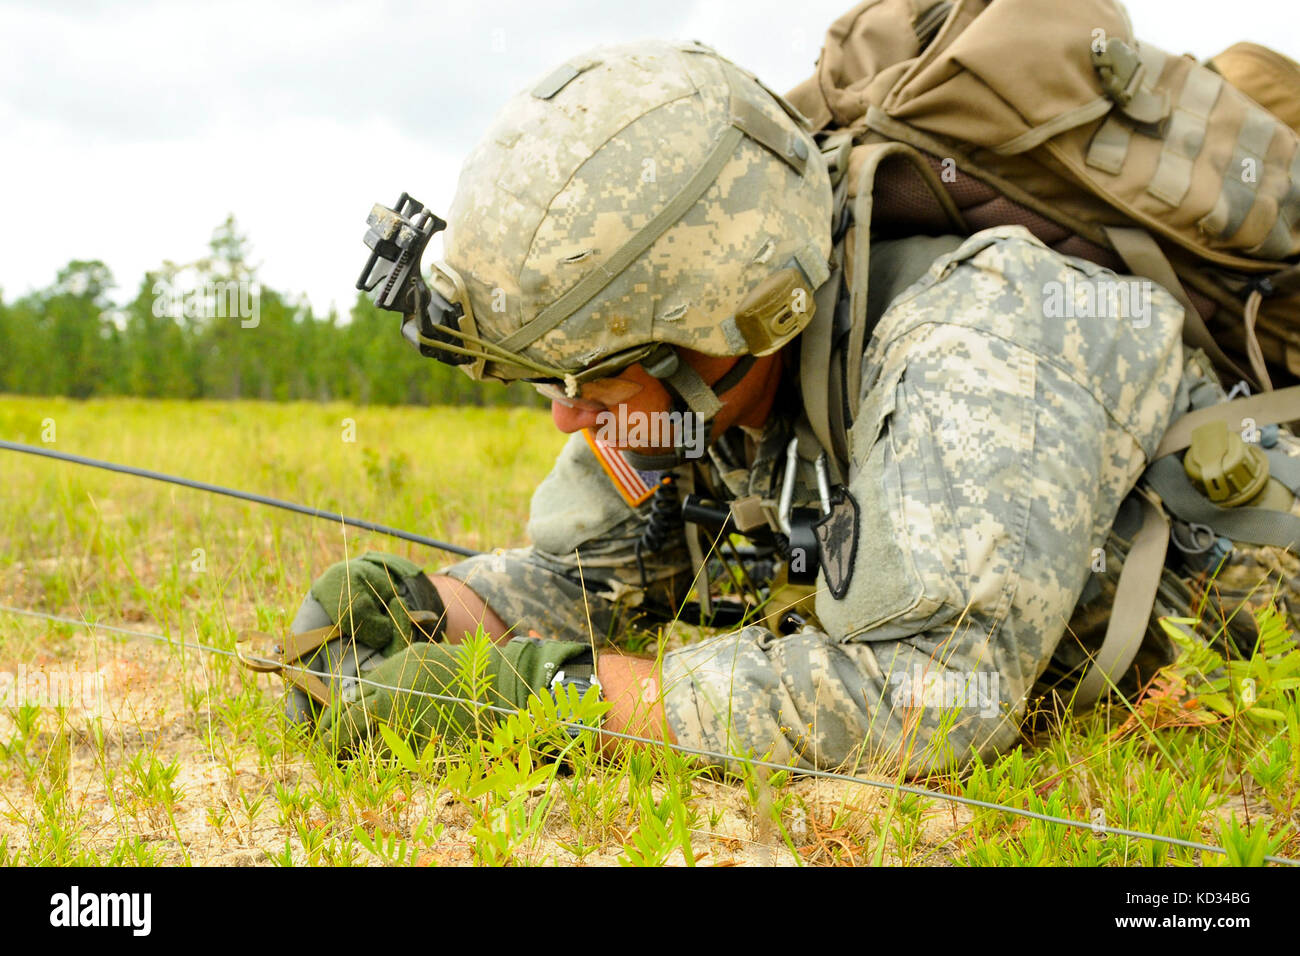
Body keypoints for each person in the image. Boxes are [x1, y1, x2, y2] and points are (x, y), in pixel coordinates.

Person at [289, 40, 1187, 775]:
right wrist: (428, 610)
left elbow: (927, 700)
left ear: (730, 332)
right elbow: (589, 580)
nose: (567, 417)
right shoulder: (692, 398)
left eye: (593, 379)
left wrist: (546, 699)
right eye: (554, 381)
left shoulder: (978, 344)